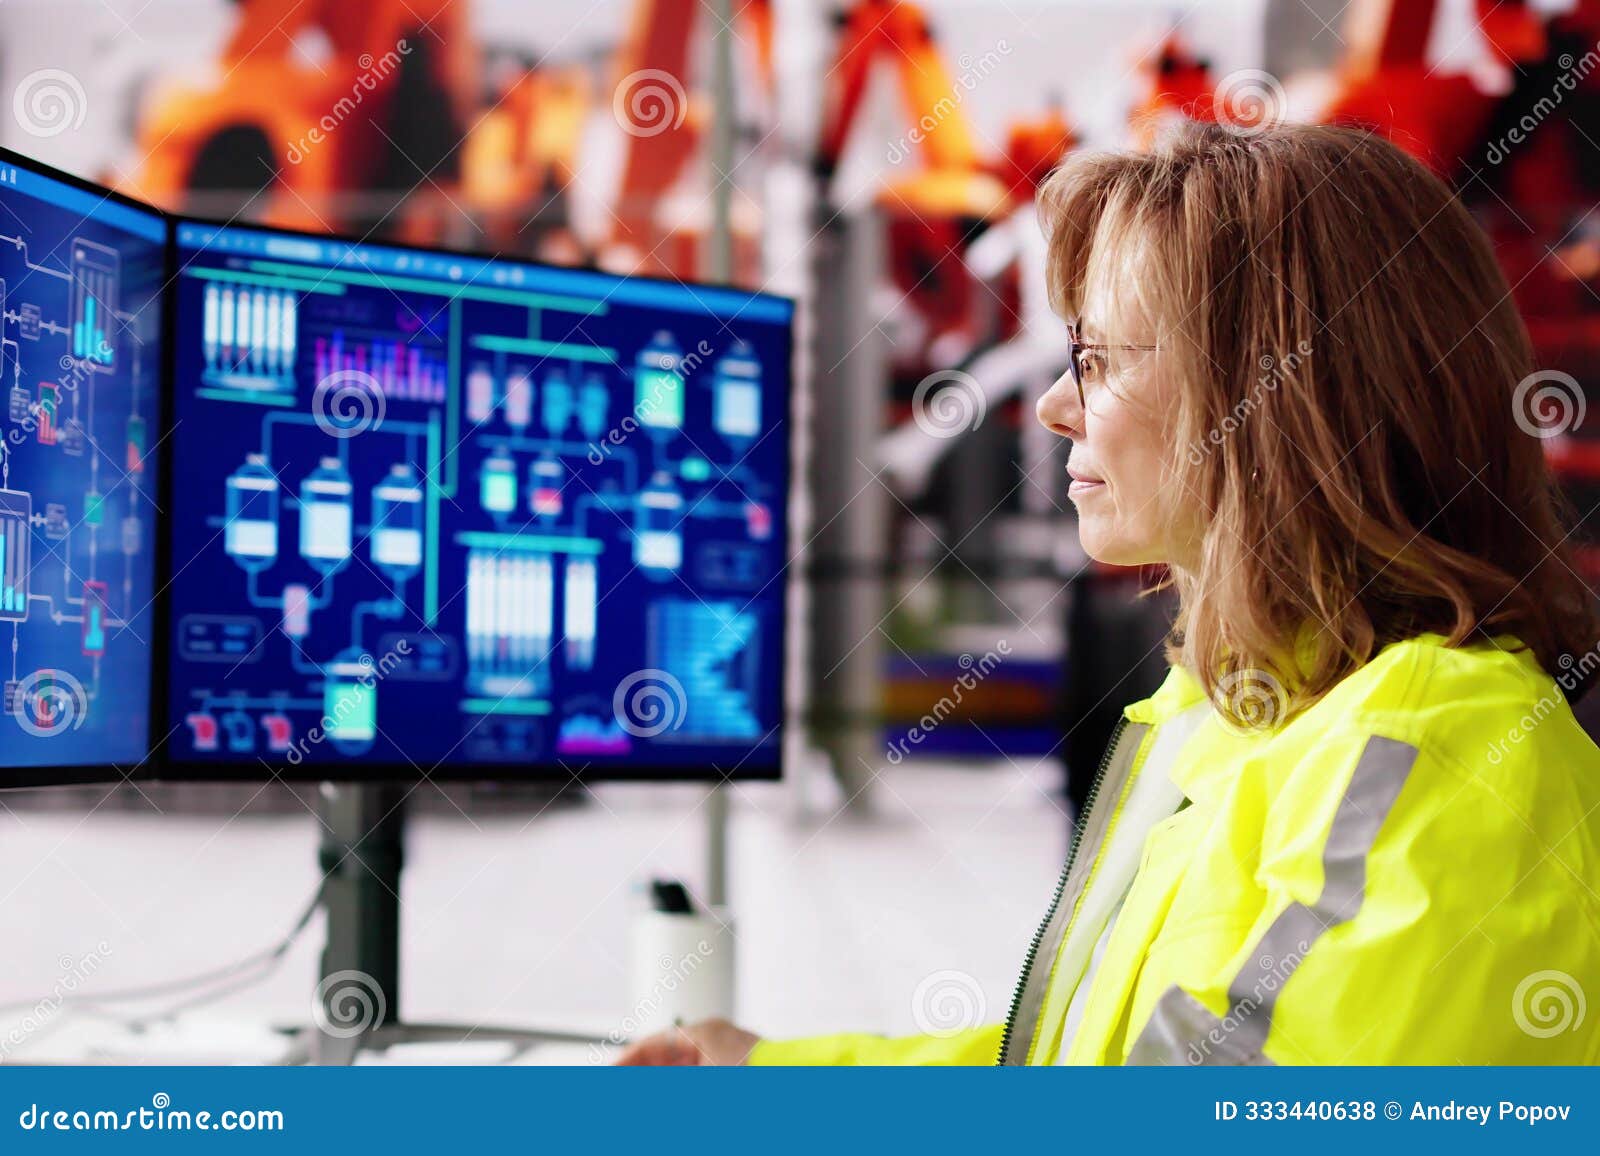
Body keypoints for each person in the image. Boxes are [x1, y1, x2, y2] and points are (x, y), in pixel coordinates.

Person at [618, 121, 1600, 1066]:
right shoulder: (1236, 716)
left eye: (1094, 362)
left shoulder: (1434, 749)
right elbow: (1072, 1068)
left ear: (1269, 396)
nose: (1050, 406)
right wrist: (779, 1079)